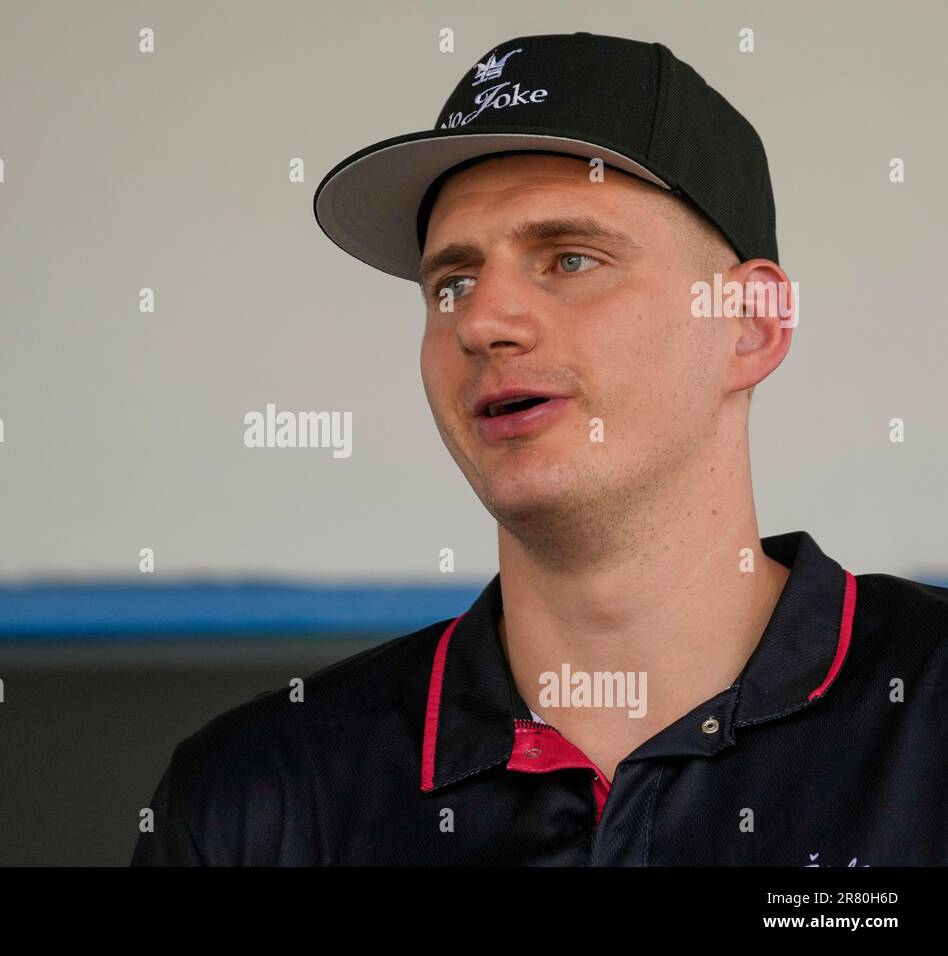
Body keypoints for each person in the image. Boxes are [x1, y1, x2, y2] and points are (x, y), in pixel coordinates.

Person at [131, 32, 948, 866]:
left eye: (569, 258)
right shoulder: (258, 802)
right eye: (451, 282)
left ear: (749, 325)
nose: (482, 322)